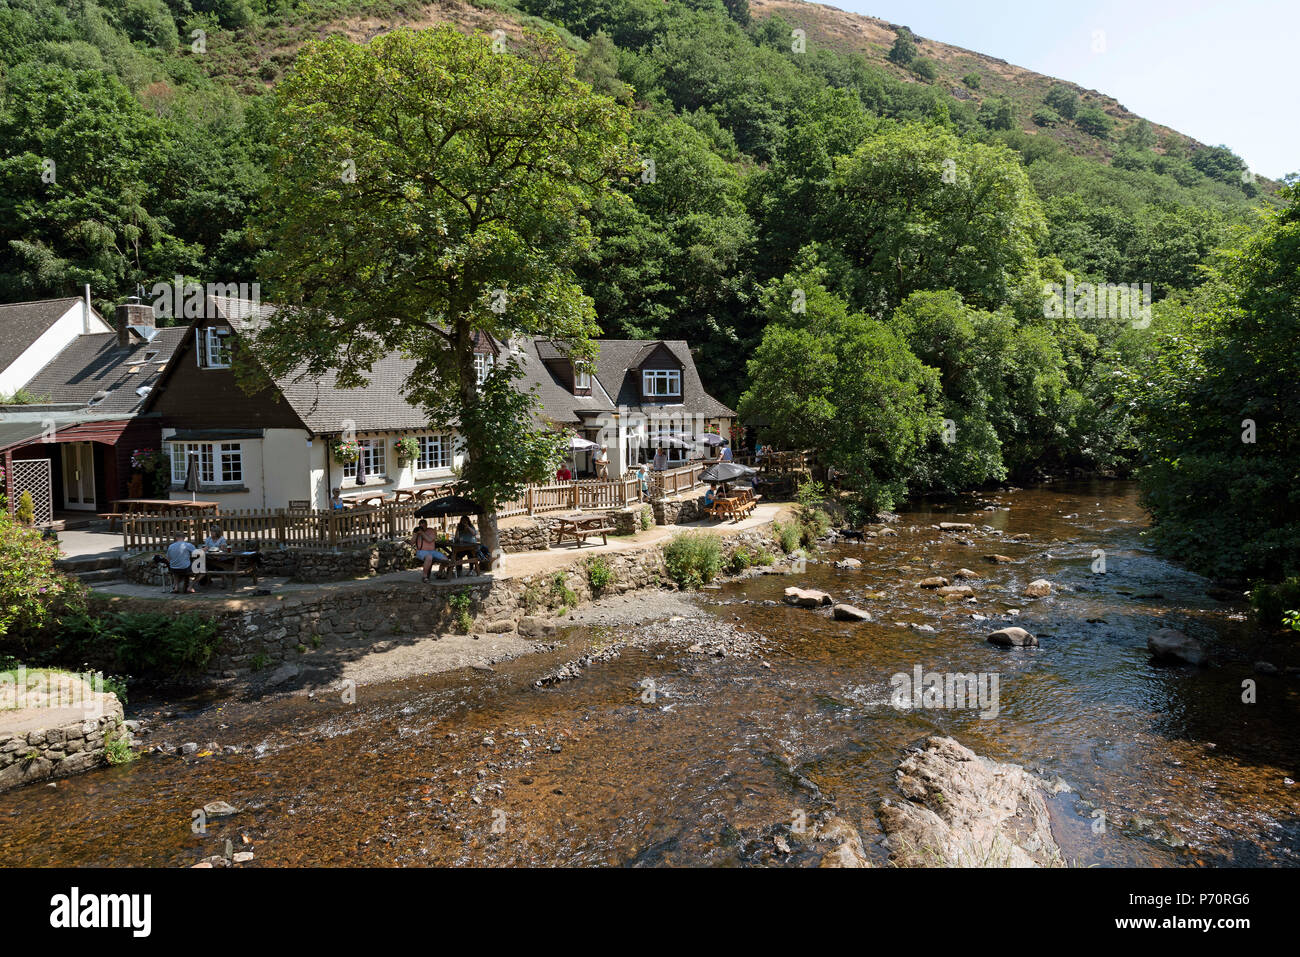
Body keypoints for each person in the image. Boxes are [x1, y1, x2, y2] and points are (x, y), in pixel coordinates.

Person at [410, 519, 449, 583]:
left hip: (432, 551)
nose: (422, 528)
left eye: (423, 526)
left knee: (446, 559)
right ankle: (424, 577)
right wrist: (415, 534)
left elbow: (429, 540)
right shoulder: (417, 531)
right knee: (429, 557)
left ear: (426, 525)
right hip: (421, 551)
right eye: (421, 526)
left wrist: (422, 533)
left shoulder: (431, 531)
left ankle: (439, 573)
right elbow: (412, 543)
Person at [166, 529, 197, 594]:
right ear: (184, 538)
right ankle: (190, 587)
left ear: (176, 538)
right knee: (201, 570)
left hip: (173, 569)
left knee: (176, 568)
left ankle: (176, 587)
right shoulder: (188, 545)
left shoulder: (170, 546)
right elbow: (196, 553)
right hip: (185, 569)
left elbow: (168, 559)